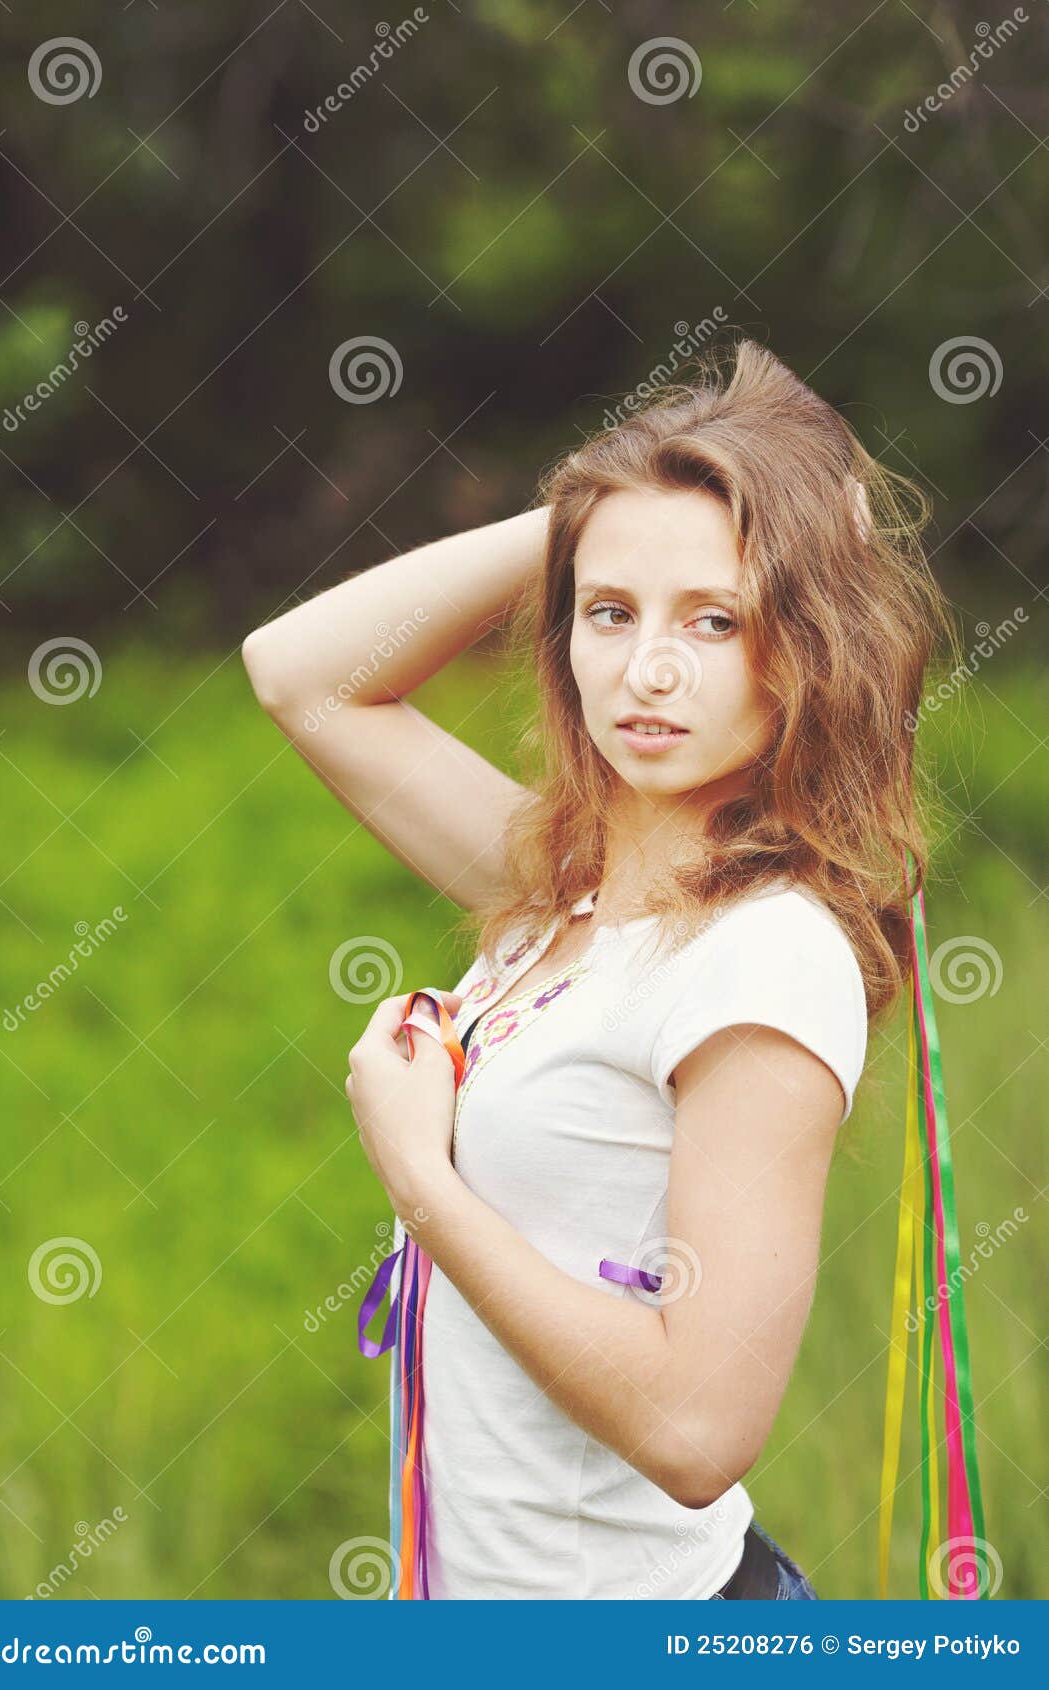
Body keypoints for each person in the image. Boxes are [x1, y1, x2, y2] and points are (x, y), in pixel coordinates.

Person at [241, 338, 956, 1600]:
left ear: (803, 649)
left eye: (714, 619)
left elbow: (696, 1430)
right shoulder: (561, 892)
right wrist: (593, 517)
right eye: (609, 612)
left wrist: (422, 1179)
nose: (647, 671)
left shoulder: (764, 957)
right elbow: (301, 676)